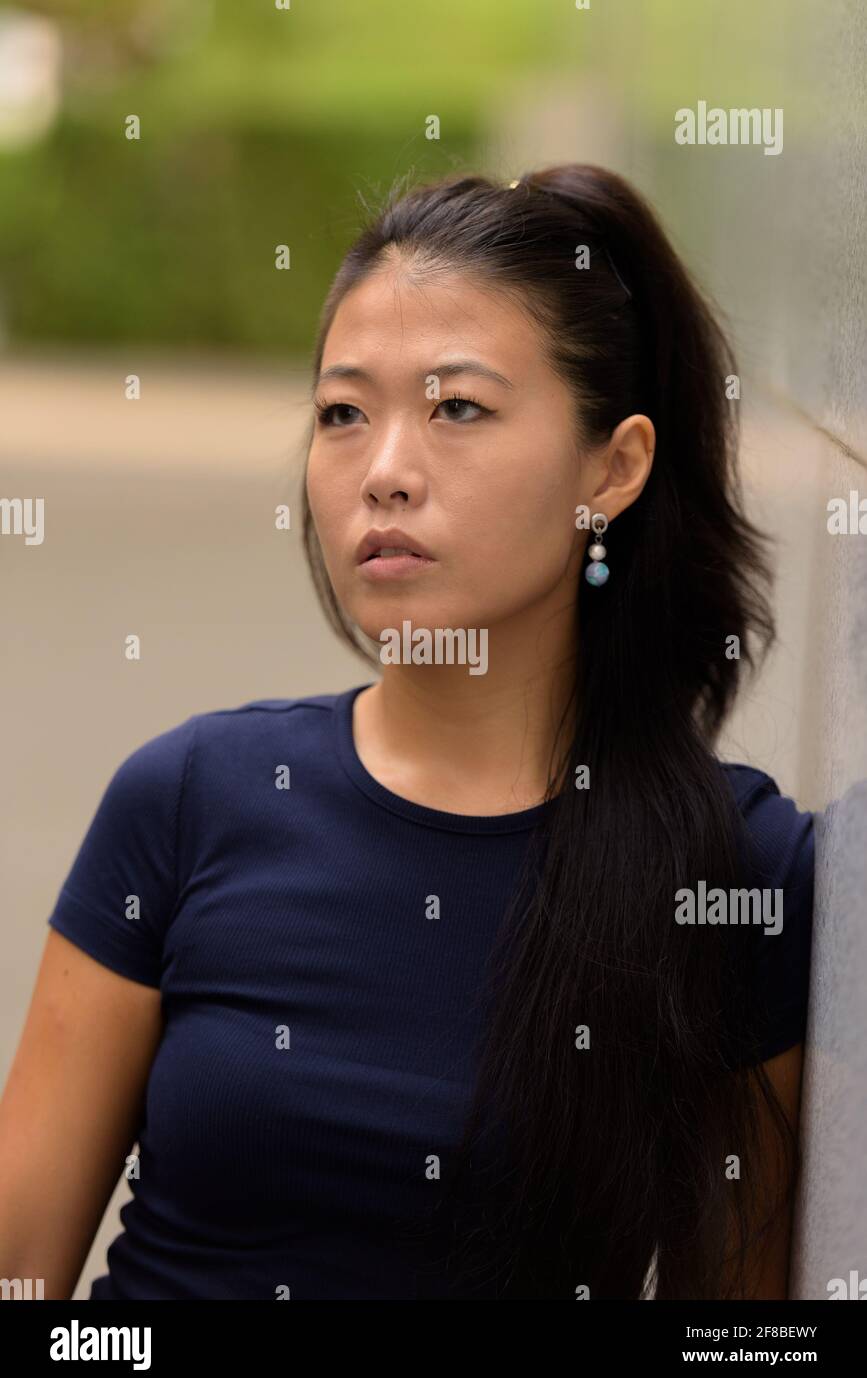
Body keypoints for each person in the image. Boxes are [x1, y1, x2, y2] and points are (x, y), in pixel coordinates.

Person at [0, 164, 814, 1300]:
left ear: (611, 469)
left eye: (458, 408)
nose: (383, 471)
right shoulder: (189, 797)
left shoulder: (737, 871)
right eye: (342, 413)